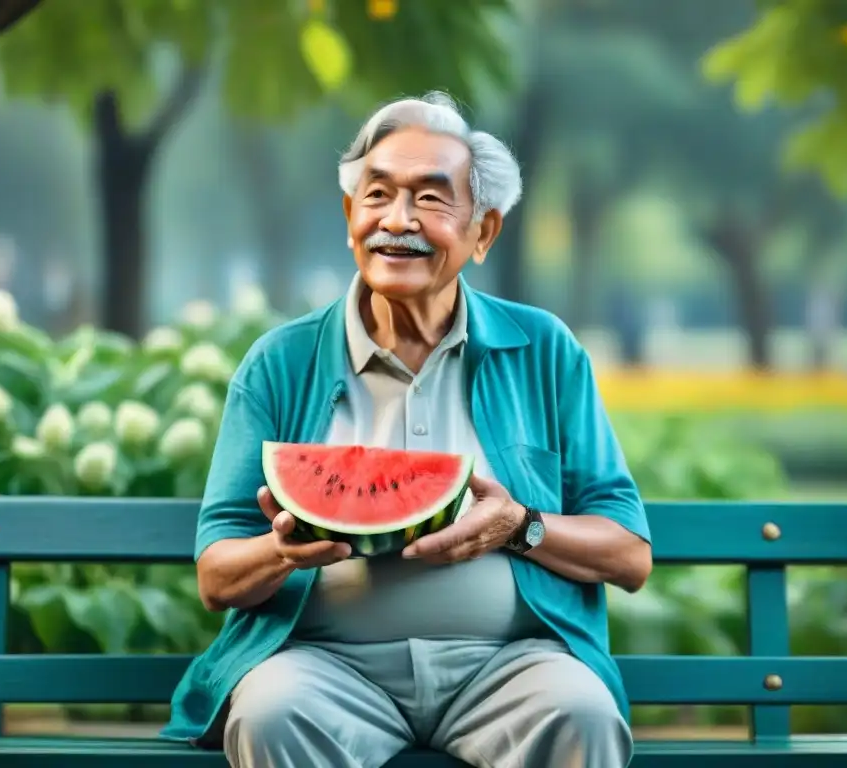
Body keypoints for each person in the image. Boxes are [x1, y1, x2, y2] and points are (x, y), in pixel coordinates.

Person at [161, 91, 653, 768]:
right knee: (272, 713)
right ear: (348, 217)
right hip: (324, 667)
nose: (398, 221)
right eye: (378, 195)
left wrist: (520, 526)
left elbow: (629, 553)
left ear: (483, 232)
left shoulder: (545, 350)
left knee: (582, 713)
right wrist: (284, 552)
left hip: (510, 667)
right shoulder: (281, 363)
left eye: (429, 199)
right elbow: (217, 576)